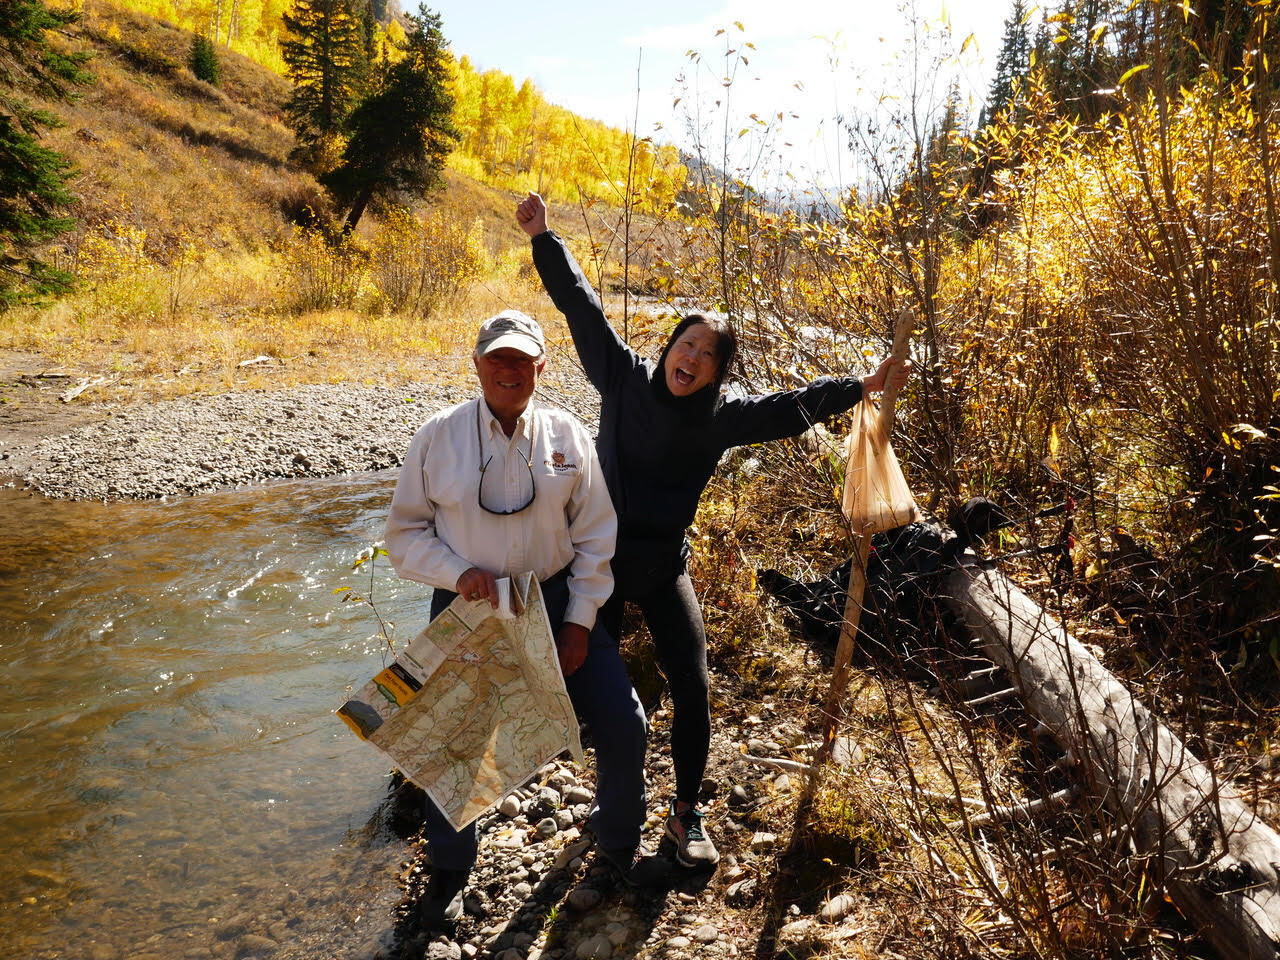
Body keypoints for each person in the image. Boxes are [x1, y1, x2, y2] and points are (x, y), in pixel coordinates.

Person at [516, 192, 911, 870]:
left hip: (664, 566)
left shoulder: (719, 418)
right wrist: (544, 237)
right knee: (604, 696)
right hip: (600, 566)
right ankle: (615, 802)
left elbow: (790, 410)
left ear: (716, 372)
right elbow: (580, 306)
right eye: (686, 343)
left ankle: (685, 814)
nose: (692, 358)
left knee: (694, 688)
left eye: (708, 354)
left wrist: (862, 385)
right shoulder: (623, 377)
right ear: (669, 347)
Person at [384, 309, 649, 925]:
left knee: (622, 721)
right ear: (475, 364)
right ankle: (448, 873)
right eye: (496, 358)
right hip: (467, 606)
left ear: (540, 367)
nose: (508, 370)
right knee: (454, 744)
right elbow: (403, 536)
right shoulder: (437, 436)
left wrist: (580, 621)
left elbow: (596, 535)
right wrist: (457, 573)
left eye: (520, 360)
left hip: (555, 599)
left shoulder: (568, 435)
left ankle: (616, 843)